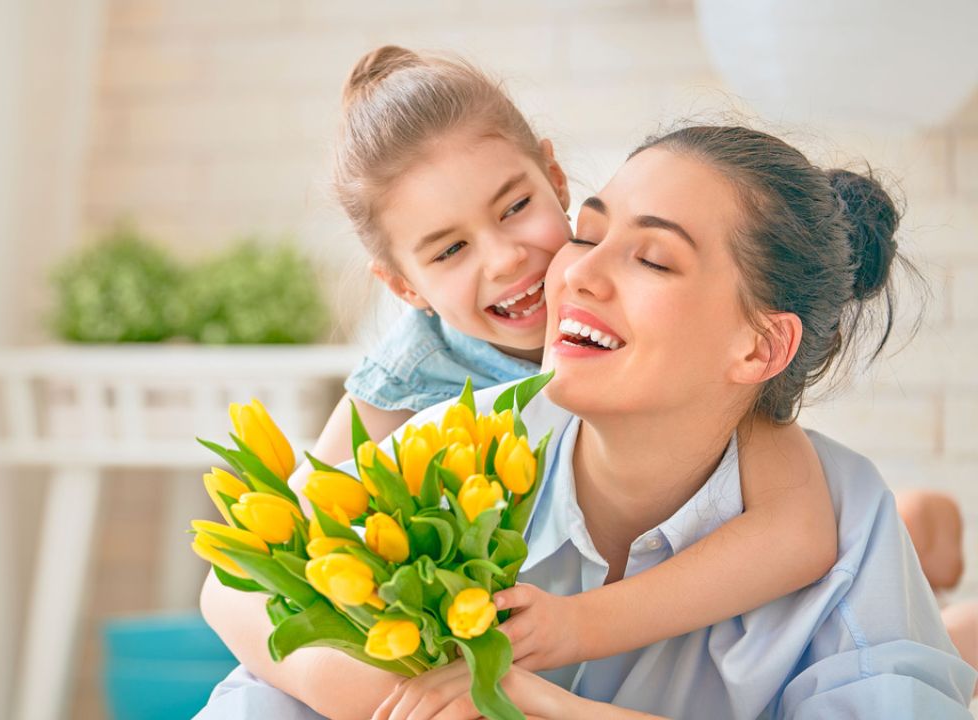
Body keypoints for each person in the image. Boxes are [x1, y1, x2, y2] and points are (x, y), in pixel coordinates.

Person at [207, 124, 978, 718]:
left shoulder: (839, 523)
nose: (574, 273)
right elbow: (245, 603)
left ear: (760, 344)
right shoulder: (452, 447)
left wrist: (536, 704)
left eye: (652, 259)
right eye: (585, 232)